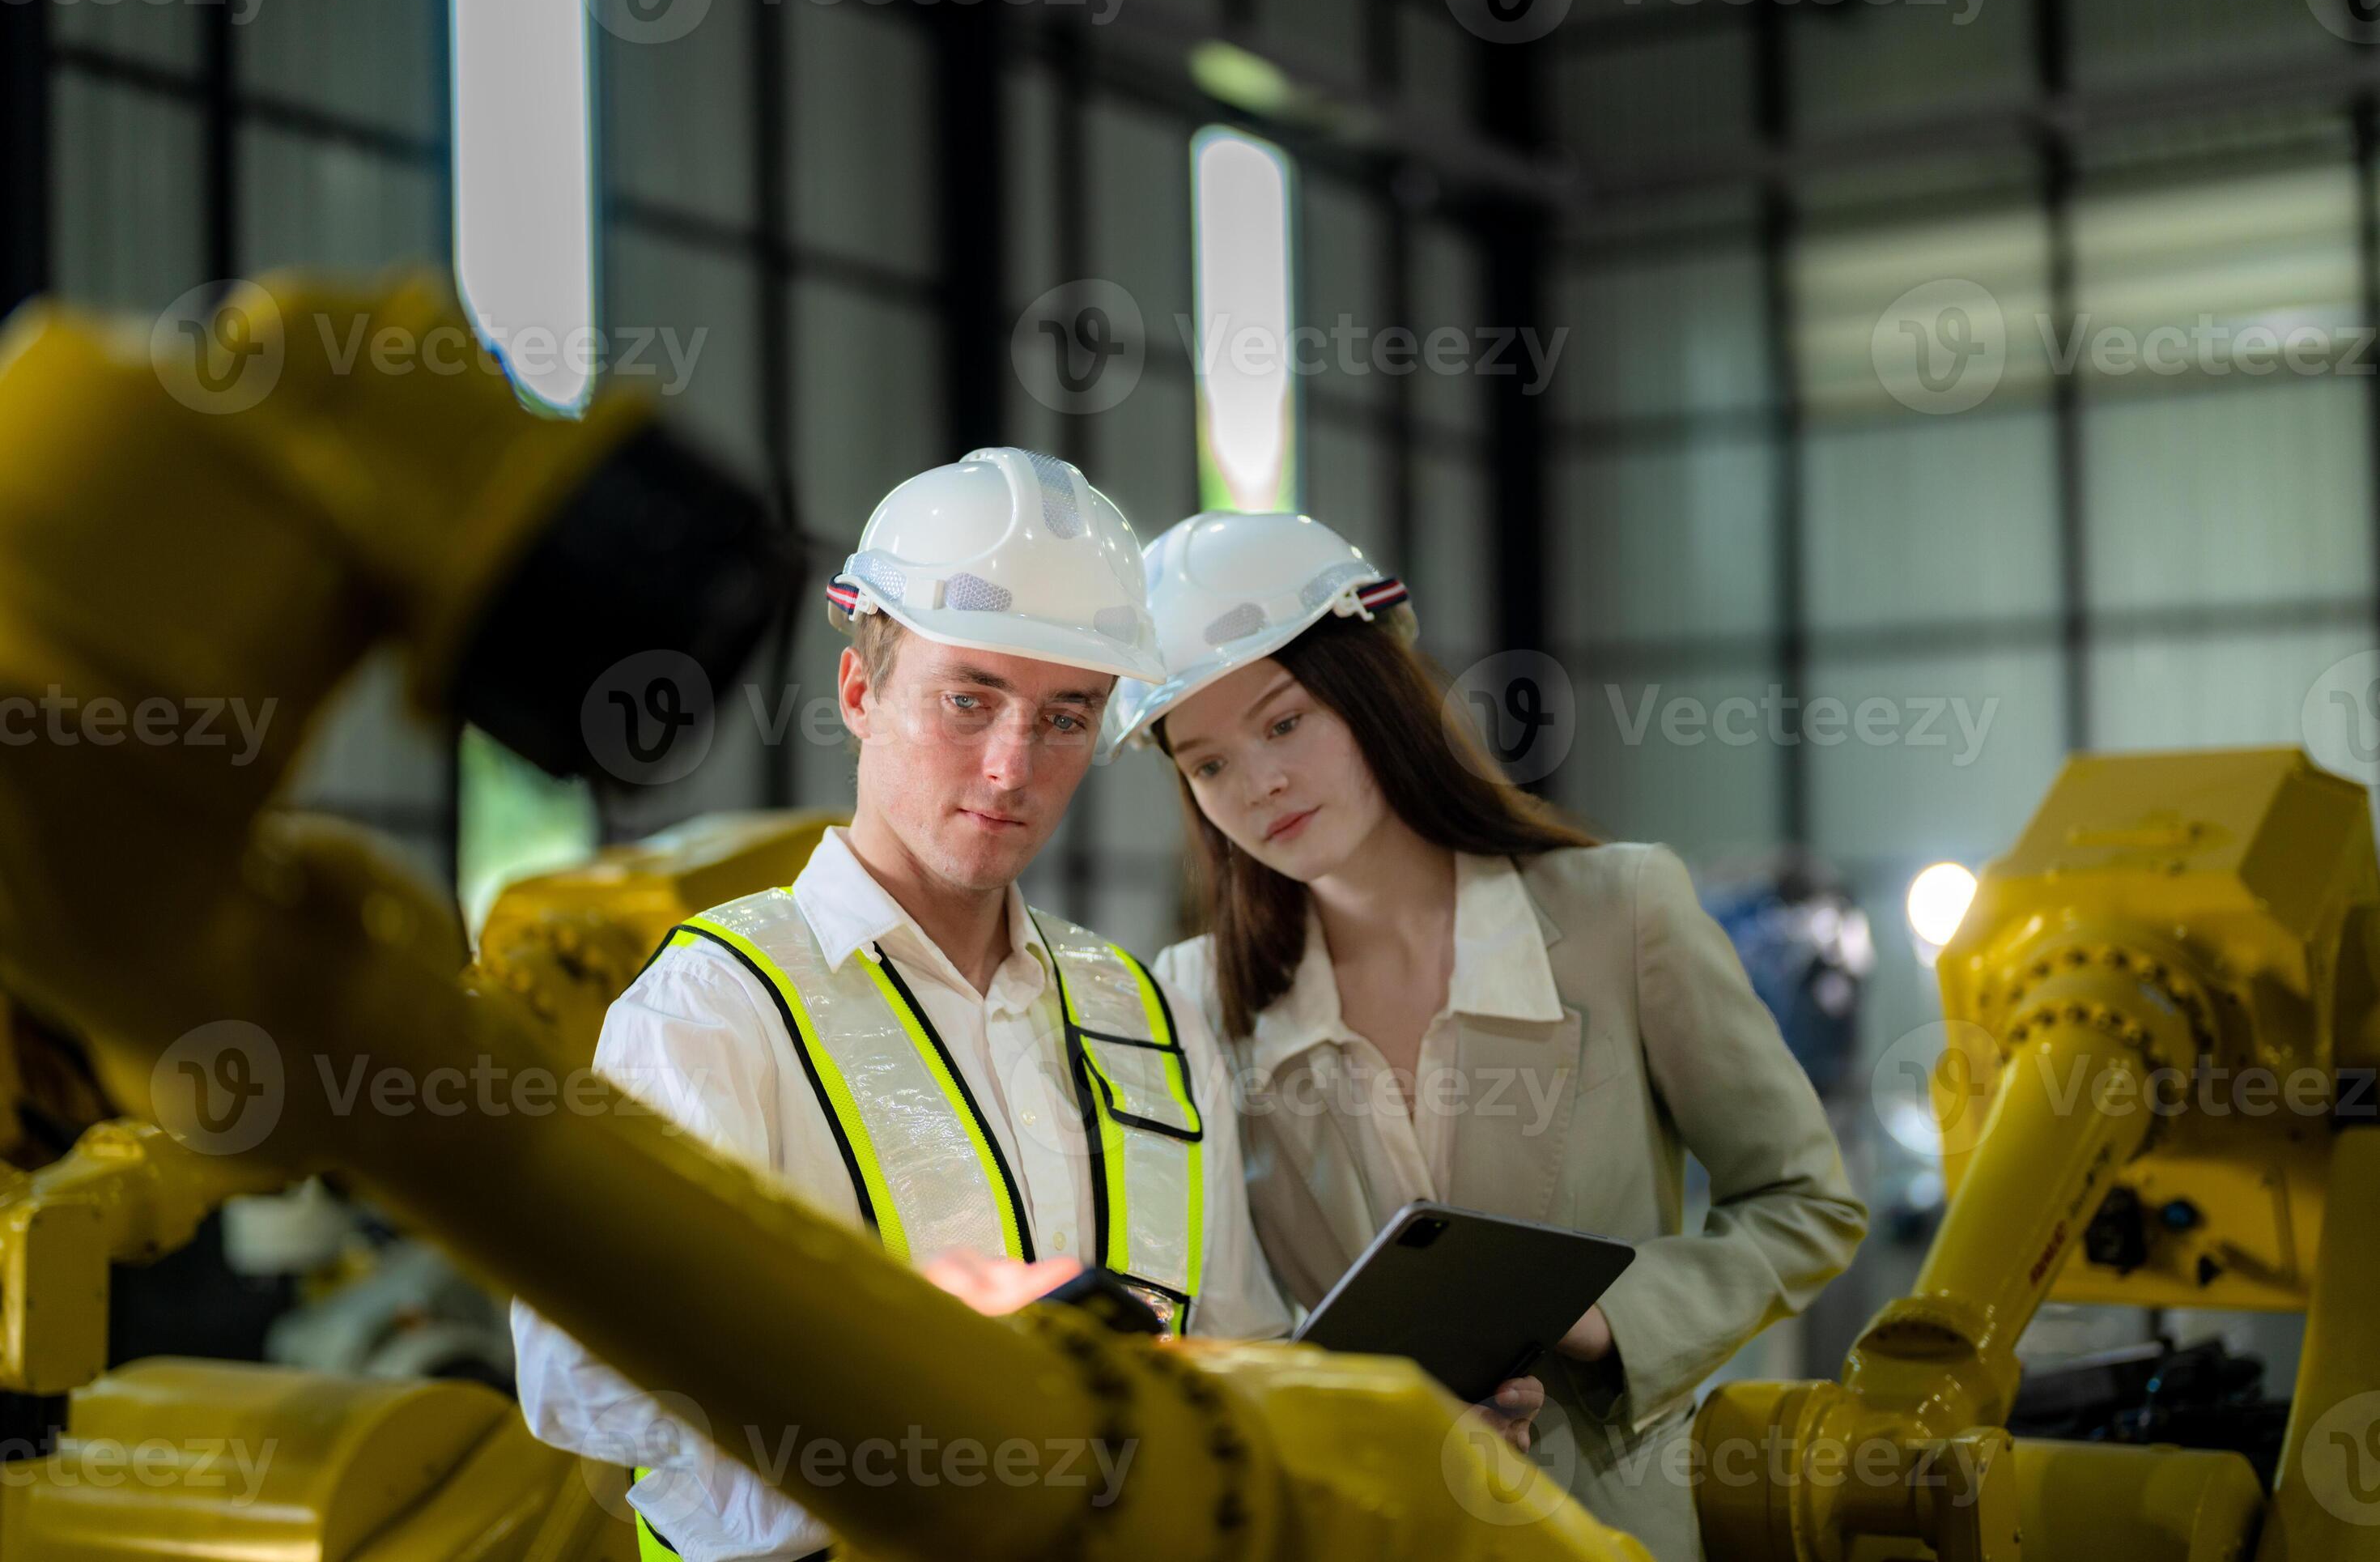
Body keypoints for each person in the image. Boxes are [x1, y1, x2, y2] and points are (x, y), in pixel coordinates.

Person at [510, 450, 1297, 1562]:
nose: (1011, 766)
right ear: (860, 692)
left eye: (1066, 718)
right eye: (969, 700)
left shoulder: (1140, 1015)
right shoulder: (715, 1008)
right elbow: (576, 1379)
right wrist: (893, 1356)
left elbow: (1237, 1343)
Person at [1111, 511, 1868, 1562]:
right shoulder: (1190, 999)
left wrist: (1614, 1320)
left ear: (1377, 690)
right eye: (1208, 765)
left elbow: (1806, 1202)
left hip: (1604, 1532)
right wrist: (1377, 1431)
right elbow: (1212, 1322)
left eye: (1286, 723)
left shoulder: (1623, 915)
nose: (1259, 786)